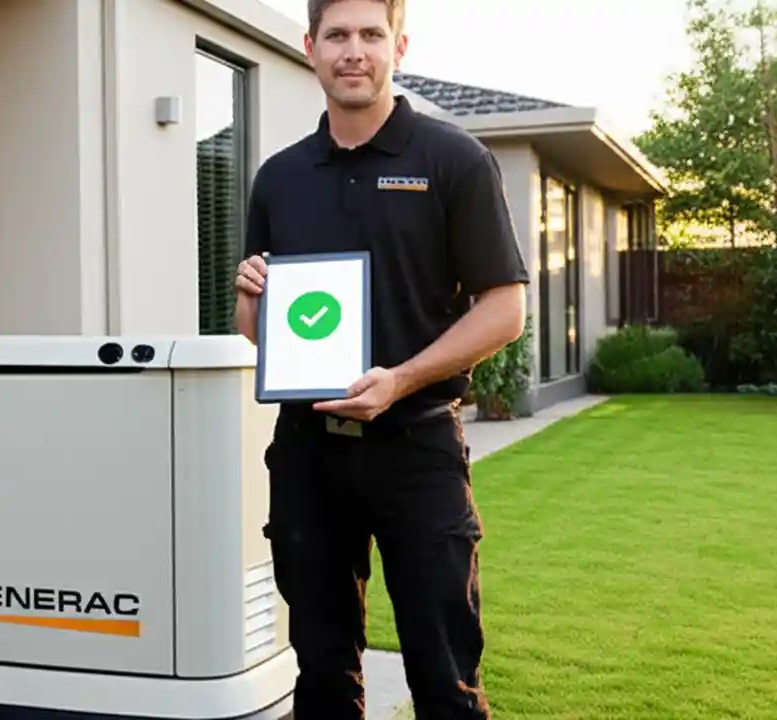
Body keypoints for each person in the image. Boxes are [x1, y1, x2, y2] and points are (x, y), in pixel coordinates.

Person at [233, 1, 529, 718]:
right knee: (322, 673)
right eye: (337, 35)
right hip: (307, 453)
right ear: (311, 46)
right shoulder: (280, 178)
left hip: (417, 449)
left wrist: (399, 380)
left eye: (371, 34)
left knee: (444, 676)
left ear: (399, 45)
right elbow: (258, 331)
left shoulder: (453, 160)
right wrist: (249, 298)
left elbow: (505, 309)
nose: (354, 51)